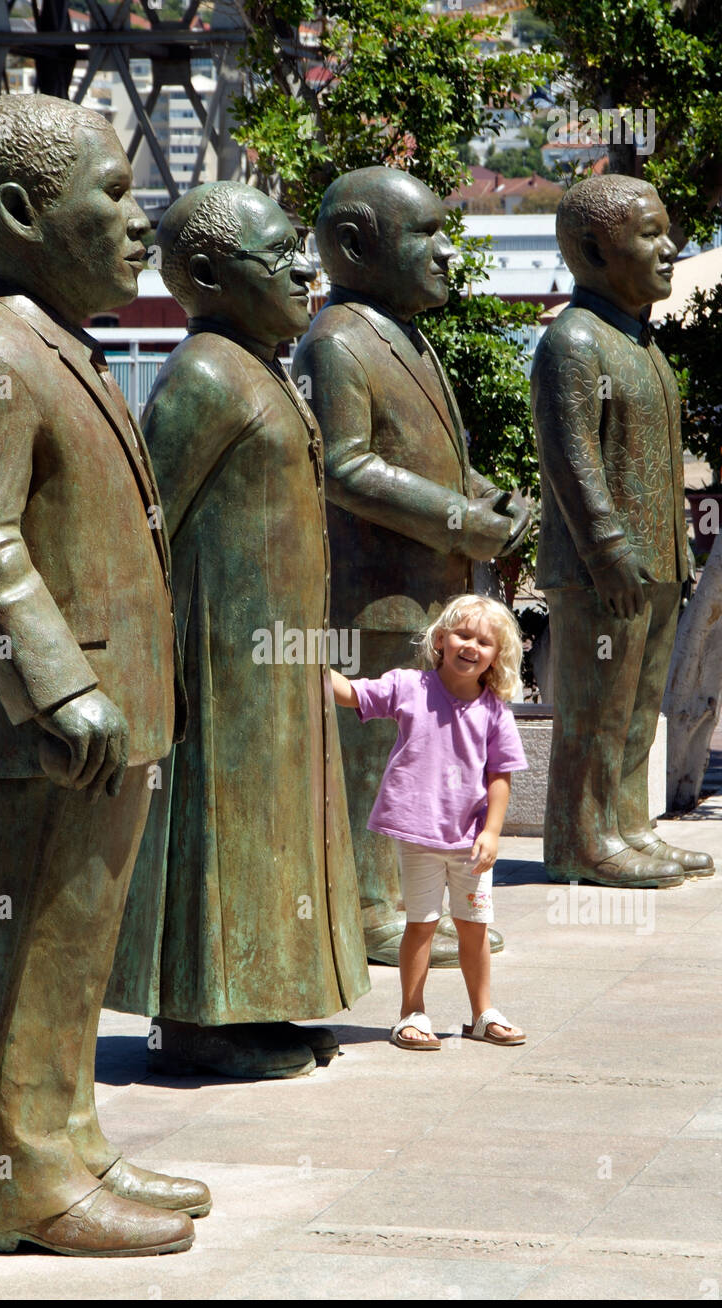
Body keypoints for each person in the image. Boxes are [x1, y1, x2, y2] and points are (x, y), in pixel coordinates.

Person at [0, 93, 207, 1257]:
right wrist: (54, 686)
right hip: (42, 721)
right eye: (115, 194)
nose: (141, 223)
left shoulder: (52, 338)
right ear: (23, 211)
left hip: (102, 712)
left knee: (74, 947)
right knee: (25, 936)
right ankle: (6, 1180)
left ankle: (65, 1136)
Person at [106, 182, 370, 1080]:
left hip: (275, 651)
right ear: (212, 275)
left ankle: (252, 1000)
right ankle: (197, 1020)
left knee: (270, 829)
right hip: (217, 657)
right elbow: (148, 526)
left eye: (304, 251)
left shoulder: (259, 365)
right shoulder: (207, 374)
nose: (305, 271)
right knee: (221, 829)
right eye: (279, 259)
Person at [293, 166, 530, 968]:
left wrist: (484, 497)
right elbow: (347, 468)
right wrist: (464, 521)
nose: (445, 251)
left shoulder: (405, 337)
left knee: (419, 758)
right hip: (376, 599)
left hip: (426, 595)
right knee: (375, 762)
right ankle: (367, 907)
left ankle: (404, 902)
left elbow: (427, 459)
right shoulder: (336, 340)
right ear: (357, 245)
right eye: (425, 232)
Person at [532, 175, 713, 887]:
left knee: (639, 707)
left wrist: (674, 554)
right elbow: (568, 456)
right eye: (649, 234)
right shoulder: (574, 342)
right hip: (599, 567)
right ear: (592, 250)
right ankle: (582, 839)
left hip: (657, 561)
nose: (670, 249)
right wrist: (607, 547)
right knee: (596, 710)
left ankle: (628, 825)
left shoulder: (642, 345)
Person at [332, 595, 528, 1048]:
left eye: (484, 641)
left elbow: (500, 778)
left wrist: (493, 832)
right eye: (462, 635)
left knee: (473, 927)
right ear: (440, 639)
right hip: (419, 837)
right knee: (420, 924)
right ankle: (411, 1012)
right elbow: (354, 694)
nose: (471, 646)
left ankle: (482, 1013)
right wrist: (306, 666)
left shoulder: (495, 711)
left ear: (496, 656)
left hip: (471, 842)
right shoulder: (409, 687)